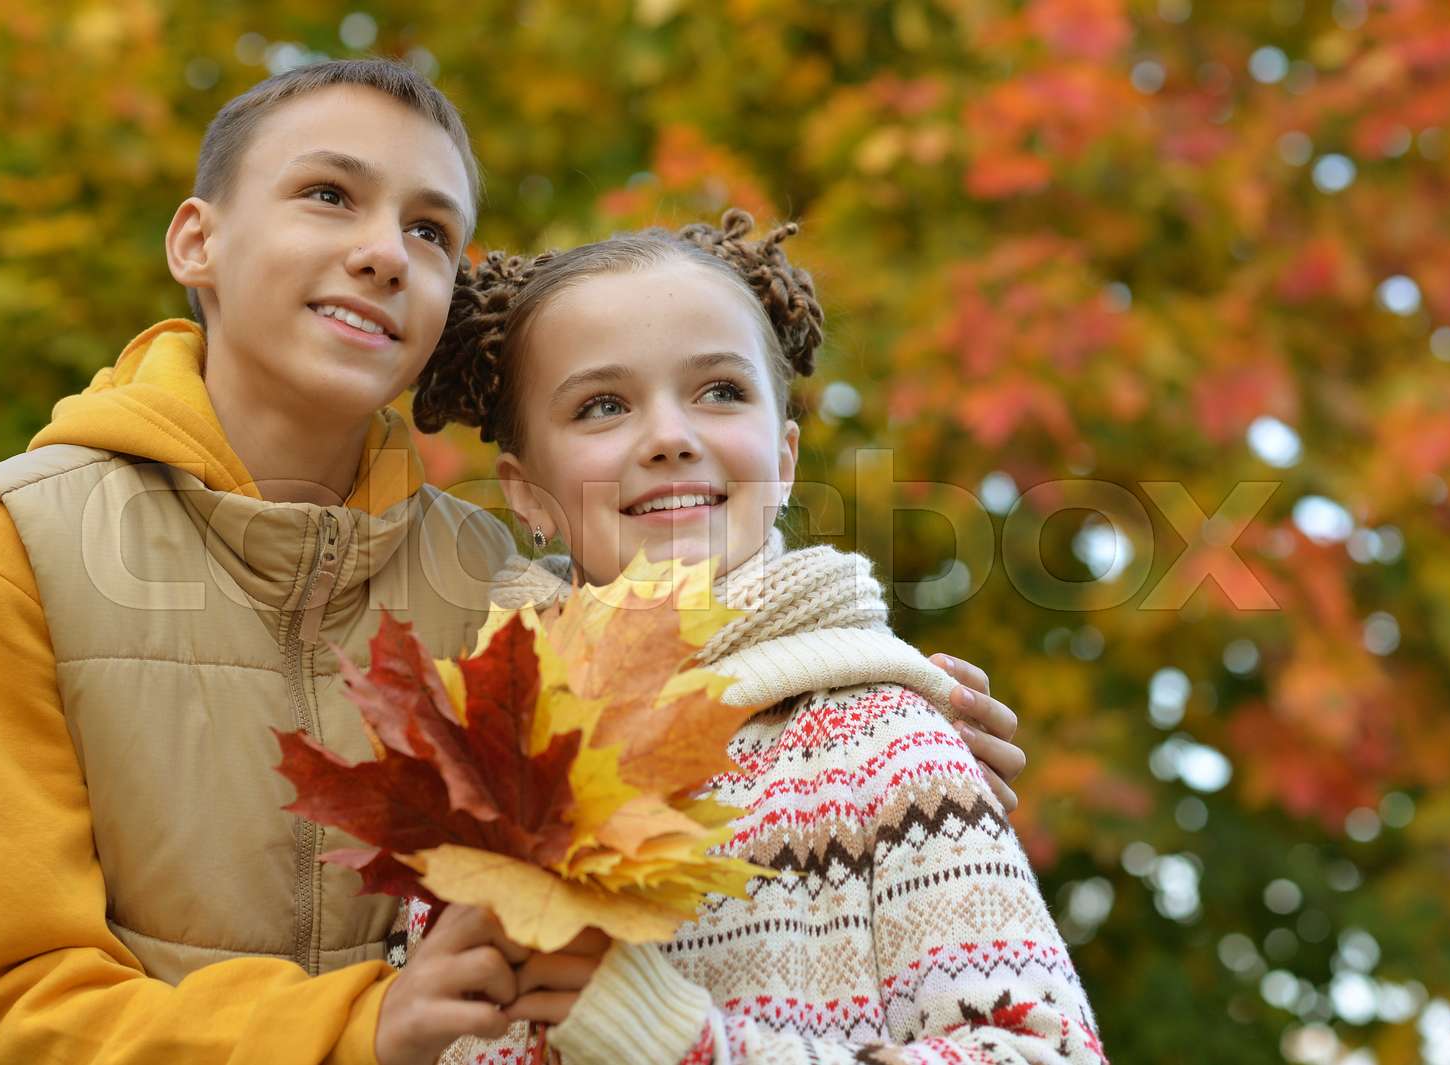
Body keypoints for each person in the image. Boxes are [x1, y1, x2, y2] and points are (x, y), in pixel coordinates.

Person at [0, 60, 1021, 1065]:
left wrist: (878, 700)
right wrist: (360, 1028)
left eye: (432, 230)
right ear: (197, 240)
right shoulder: (20, 542)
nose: (385, 250)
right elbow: (11, 1009)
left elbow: (705, 637)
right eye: (328, 194)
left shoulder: (496, 591)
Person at [397, 211, 1106, 1064]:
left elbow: (1047, 1052)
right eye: (603, 405)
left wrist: (692, 1046)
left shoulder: (880, 740)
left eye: (721, 391)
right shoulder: (473, 767)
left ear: (788, 454)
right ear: (527, 493)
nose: (669, 437)